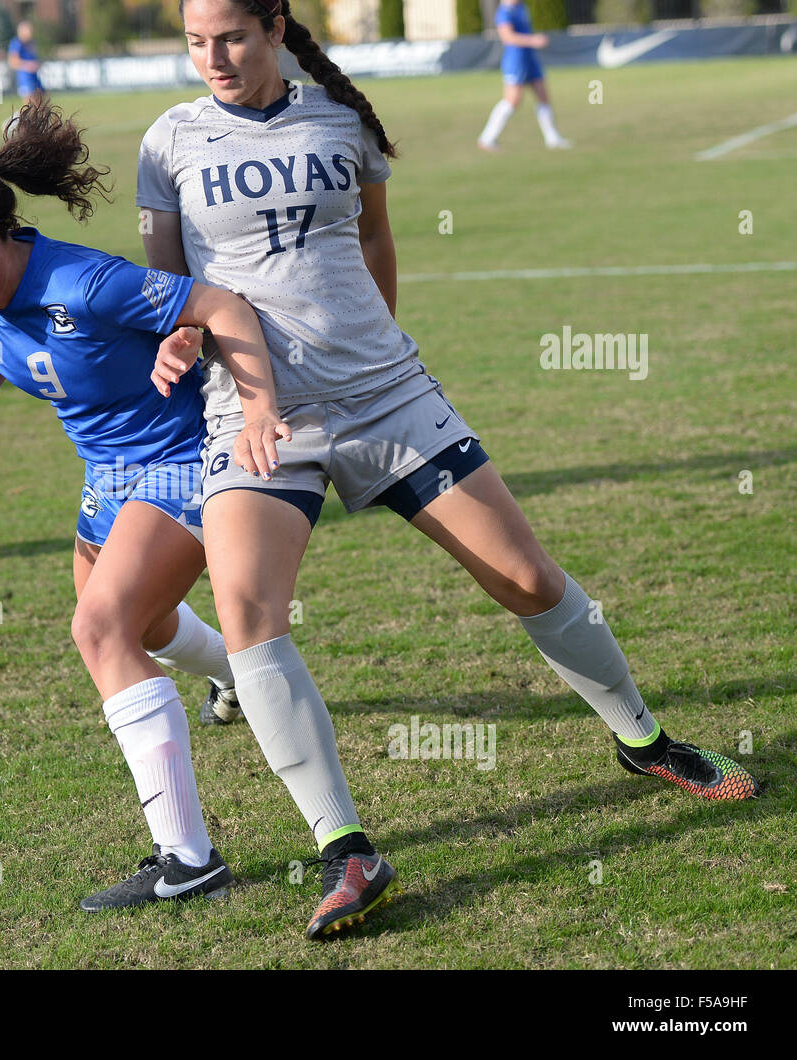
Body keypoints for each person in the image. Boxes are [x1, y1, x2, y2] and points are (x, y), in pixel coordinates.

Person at [140, 0, 757, 939]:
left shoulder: (340, 119)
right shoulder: (169, 140)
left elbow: (378, 240)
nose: (212, 57)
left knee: (529, 577)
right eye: (194, 40)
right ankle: (345, 848)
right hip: (259, 416)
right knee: (249, 620)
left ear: (272, 29)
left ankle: (644, 740)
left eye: (229, 36)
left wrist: (369, 346)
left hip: (388, 399)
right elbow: (176, 286)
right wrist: (185, 341)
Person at [0, 100, 289, 910]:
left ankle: (188, 859)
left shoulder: (83, 284)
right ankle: (235, 680)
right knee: (141, 628)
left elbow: (219, 305)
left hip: (180, 462)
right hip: (106, 478)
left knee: (99, 628)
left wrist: (255, 410)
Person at [477, 0, 570, 151]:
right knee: (512, 101)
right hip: (515, 60)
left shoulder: (521, 6)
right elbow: (508, 37)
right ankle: (487, 138)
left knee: (543, 96)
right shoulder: (504, 12)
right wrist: (533, 40)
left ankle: (552, 138)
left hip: (530, 58)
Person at [8, 20, 45, 107]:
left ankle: (39, 119)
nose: (31, 32)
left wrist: (37, 64)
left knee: (41, 100)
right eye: (28, 29)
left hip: (34, 75)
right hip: (24, 76)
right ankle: (26, 120)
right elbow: (12, 61)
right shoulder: (16, 43)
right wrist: (28, 65)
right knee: (29, 103)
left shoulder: (32, 42)